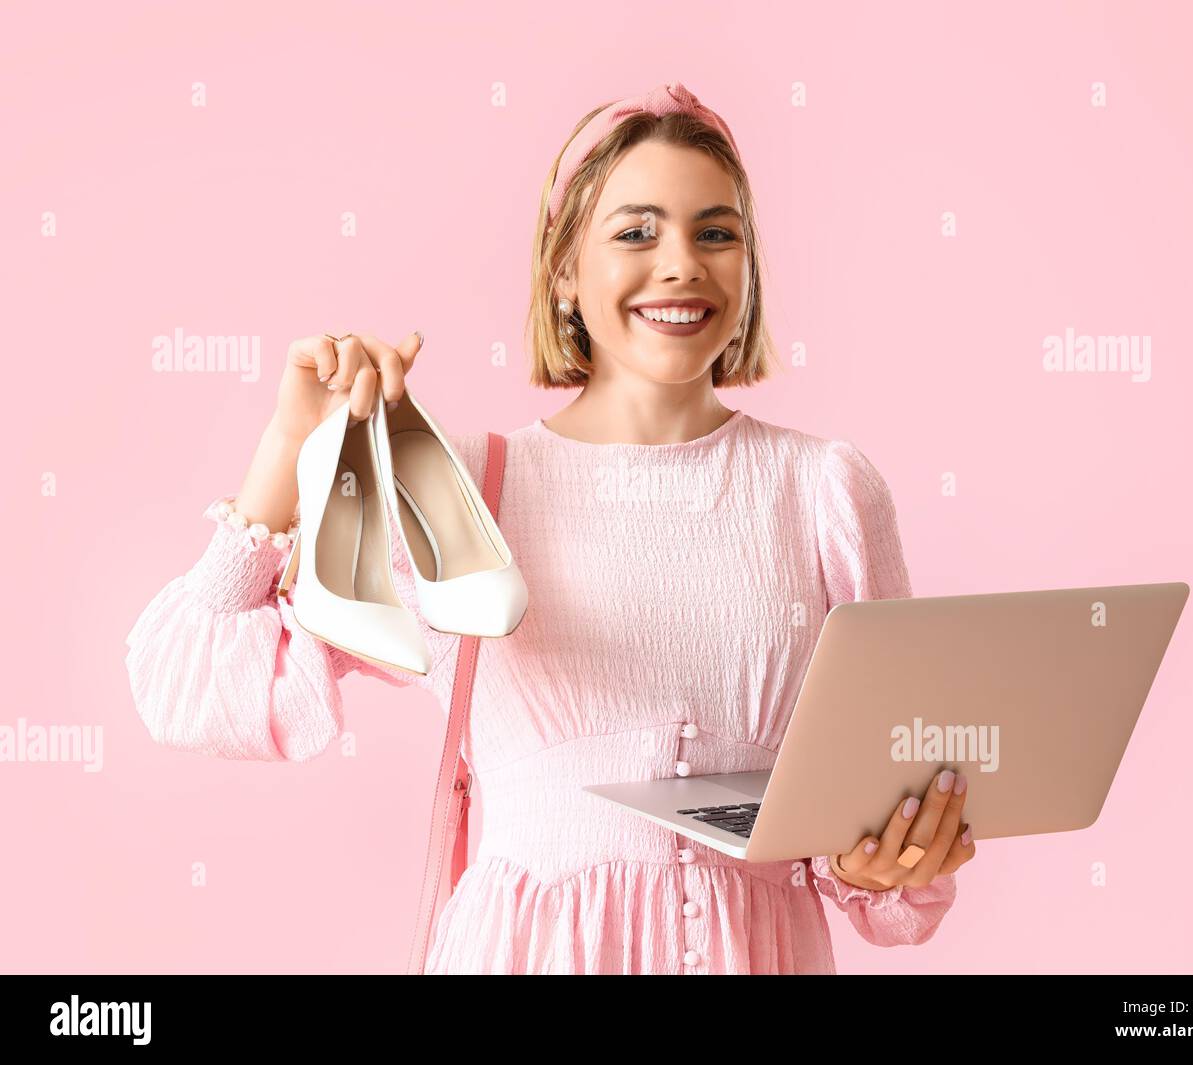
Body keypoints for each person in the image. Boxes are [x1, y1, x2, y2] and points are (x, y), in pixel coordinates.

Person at [125, 82, 975, 975]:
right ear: (565, 270)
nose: (681, 262)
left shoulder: (825, 491)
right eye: (636, 231)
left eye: (715, 232)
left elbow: (883, 798)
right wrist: (290, 444)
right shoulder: (461, 489)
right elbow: (189, 688)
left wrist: (873, 858)